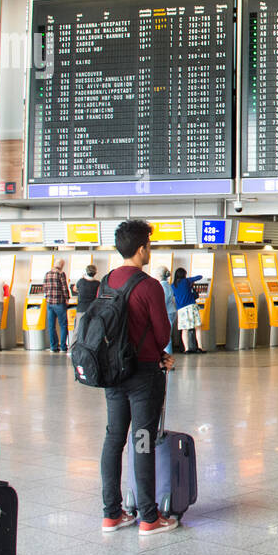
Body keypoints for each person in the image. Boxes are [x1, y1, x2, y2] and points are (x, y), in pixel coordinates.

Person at [98, 220, 178, 537]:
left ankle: (111, 514)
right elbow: (162, 334)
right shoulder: (149, 286)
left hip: (112, 374)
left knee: (114, 439)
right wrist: (160, 353)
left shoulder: (107, 282)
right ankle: (148, 517)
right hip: (143, 374)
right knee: (142, 441)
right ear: (142, 248)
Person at [172, 267, 204, 353]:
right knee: (197, 327)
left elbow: (175, 295)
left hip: (181, 309)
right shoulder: (186, 281)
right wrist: (190, 281)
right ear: (184, 275)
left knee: (184, 329)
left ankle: (186, 349)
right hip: (191, 307)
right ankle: (200, 347)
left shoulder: (173, 285)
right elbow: (200, 276)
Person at [43, 259, 69, 352]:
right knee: (63, 325)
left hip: (49, 303)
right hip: (59, 302)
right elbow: (64, 287)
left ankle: (53, 347)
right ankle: (63, 347)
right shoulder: (61, 274)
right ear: (61, 265)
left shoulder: (47, 274)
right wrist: (67, 298)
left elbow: (44, 287)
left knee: (51, 326)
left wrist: (47, 297)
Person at [158, 267, 177, 353]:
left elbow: (163, 302)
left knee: (166, 337)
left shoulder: (162, 286)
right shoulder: (168, 285)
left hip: (167, 313)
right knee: (167, 336)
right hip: (171, 311)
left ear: (159, 275)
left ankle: (168, 358)